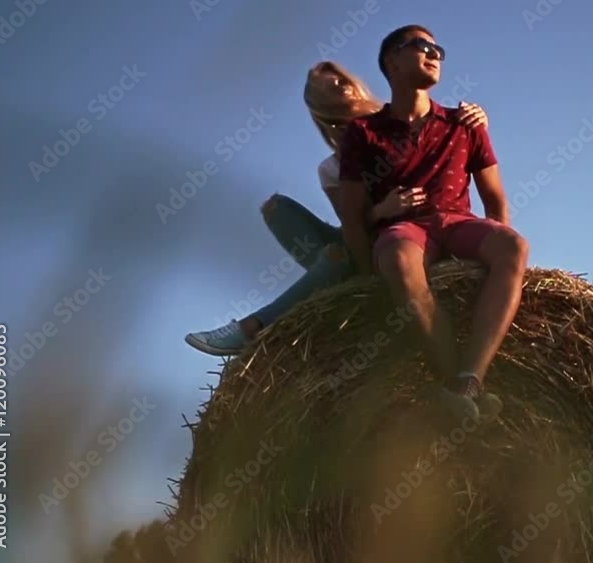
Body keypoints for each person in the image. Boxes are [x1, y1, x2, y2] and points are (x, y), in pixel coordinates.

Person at [185, 61, 489, 356]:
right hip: (368, 242)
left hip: (418, 238)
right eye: (325, 86)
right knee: (277, 209)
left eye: (340, 78)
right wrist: (383, 209)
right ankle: (342, 280)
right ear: (318, 106)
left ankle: (254, 326)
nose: (338, 83)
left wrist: (475, 120)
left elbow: (450, 142)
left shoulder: (405, 122)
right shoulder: (332, 168)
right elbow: (355, 224)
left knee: (335, 257)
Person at [338, 25, 529, 422]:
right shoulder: (363, 132)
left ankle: (469, 379)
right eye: (421, 46)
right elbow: (352, 215)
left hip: (458, 221)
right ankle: (451, 383)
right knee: (398, 258)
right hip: (408, 228)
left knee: (514, 246)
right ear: (392, 60)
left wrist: (488, 264)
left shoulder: (465, 123)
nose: (434, 54)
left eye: (438, 48)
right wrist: (363, 275)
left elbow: (495, 199)